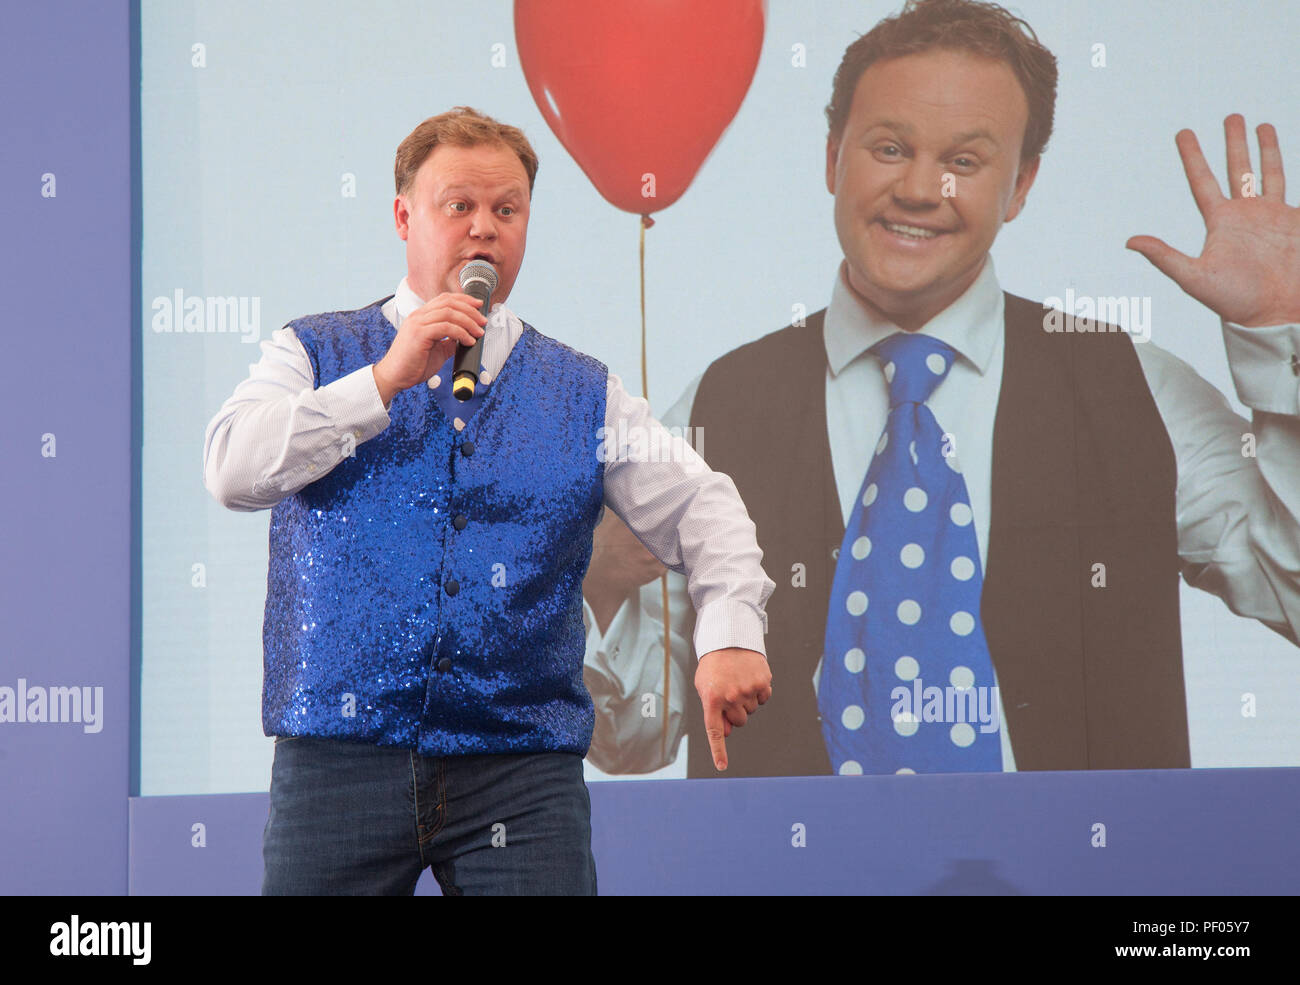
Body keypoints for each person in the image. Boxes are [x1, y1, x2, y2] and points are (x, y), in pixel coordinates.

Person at [583, 0, 1300, 778]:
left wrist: (1282, 335)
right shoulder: (718, 408)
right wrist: (595, 581)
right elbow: (631, 737)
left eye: (965, 160)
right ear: (833, 159)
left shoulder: (1132, 388)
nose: (921, 189)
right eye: (890, 147)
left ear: (1020, 186)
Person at [202, 107, 776, 894]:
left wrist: (731, 632)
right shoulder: (313, 351)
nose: (484, 230)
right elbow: (231, 467)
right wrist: (381, 381)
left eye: (506, 210)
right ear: (405, 217)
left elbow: (703, 504)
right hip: (340, 762)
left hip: (519, 769)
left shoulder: (583, 391)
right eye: (459, 206)